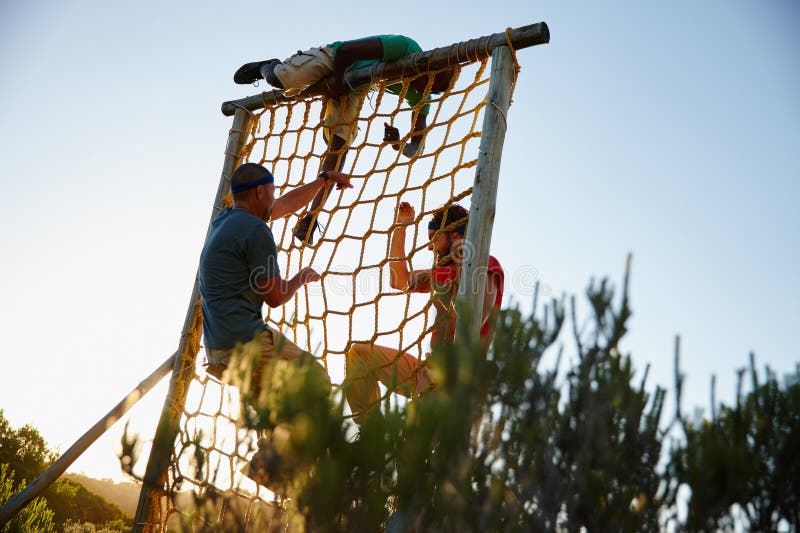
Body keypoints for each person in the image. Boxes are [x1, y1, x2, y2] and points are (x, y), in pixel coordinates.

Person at [199, 162, 350, 491]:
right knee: (315, 378)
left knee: (277, 408)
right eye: (271, 192)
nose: (274, 198)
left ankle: (275, 473)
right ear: (259, 192)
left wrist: (322, 182)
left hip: (218, 351)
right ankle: (302, 473)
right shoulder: (257, 232)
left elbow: (281, 207)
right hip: (245, 344)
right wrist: (301, 277)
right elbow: (277, 296)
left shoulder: (224, 220)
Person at [233, 35, 455, 245]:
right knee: (281, 78)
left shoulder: (421, 93)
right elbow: (346, 52)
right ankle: (266, 65)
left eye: (433, 91)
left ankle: (311, 217)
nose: (425, 88)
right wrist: (337, 84)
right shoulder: (405, 47)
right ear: (429, 65)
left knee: (340, 146)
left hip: (356, 85)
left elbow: (417, 146)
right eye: (429, 81)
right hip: (336, 60)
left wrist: (398, 144)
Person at [343, 202, 504, 423]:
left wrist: (454, 265)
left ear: (455, 235)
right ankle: (371, 432)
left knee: (413, 450)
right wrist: (402, 226)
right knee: (359, 355)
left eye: (434, 239)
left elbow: (476, 313)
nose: (431, 247)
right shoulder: (441, 272)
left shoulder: (486, 265)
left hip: (457, 378)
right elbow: (398, 279)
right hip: (428, 370)